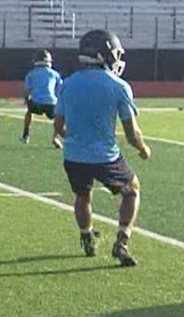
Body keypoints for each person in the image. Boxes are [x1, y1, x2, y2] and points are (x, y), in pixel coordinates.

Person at [54, 29, 151, 267]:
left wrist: (77, 138)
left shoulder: (67, 84)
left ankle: (87, 236)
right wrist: (142, 148)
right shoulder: (118, 86)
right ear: (104, 54)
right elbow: (131, 133)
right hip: (104, 156)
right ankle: (122, 242)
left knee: (82, 195)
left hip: (73, 154)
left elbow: (58, 126)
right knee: (132, 190)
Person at [21, 49, 63, 148]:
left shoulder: (31, 74)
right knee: (59, 118)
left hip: (37, 102)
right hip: (52, 102)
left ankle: (26, 134)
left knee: (29, 112)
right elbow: (60, 90)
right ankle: (55, 137)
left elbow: (27, 91)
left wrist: (27, 100)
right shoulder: (54, 74)